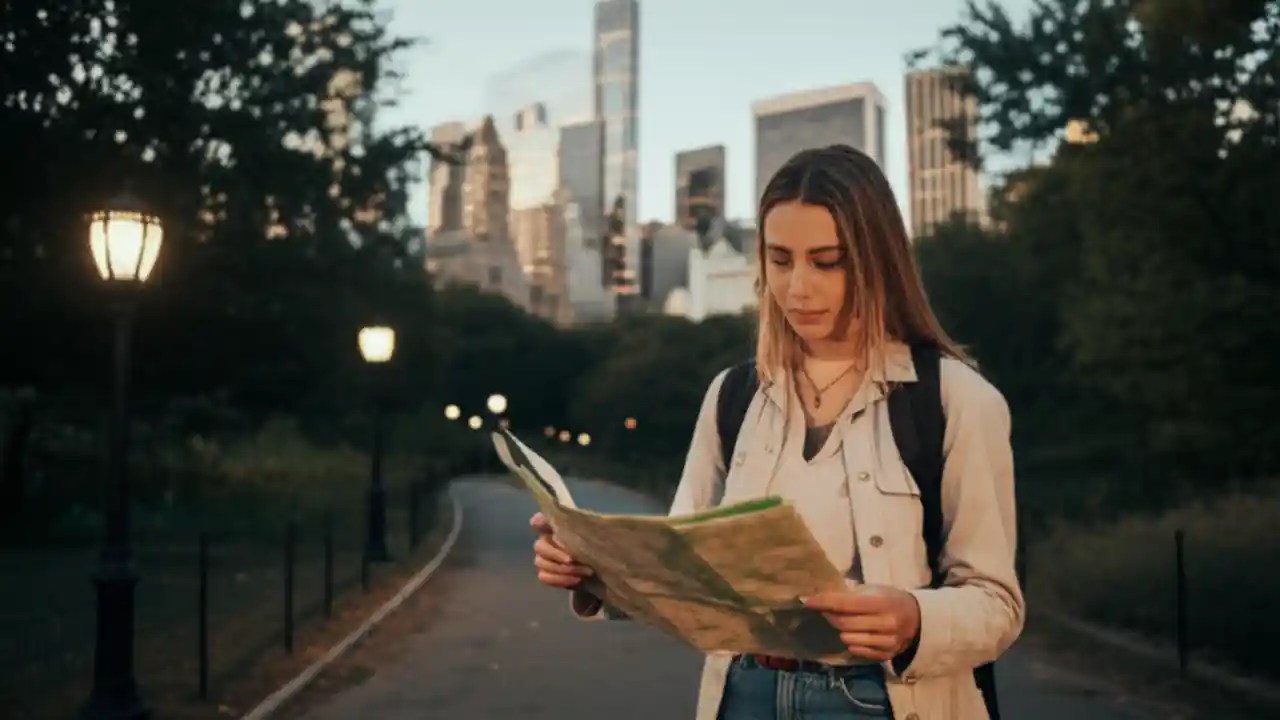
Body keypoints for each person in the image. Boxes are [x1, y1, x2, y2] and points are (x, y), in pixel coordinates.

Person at [530, 144, 1024, 720]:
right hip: (743, 692)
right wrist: (593, 569)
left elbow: (997, 603)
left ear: (878, 261)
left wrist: (915, 619)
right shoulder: (733, 396)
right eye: (780, 259)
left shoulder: (955, 399)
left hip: (878, 700)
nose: (797, 288)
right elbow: (681, 574)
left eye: (827, 261)